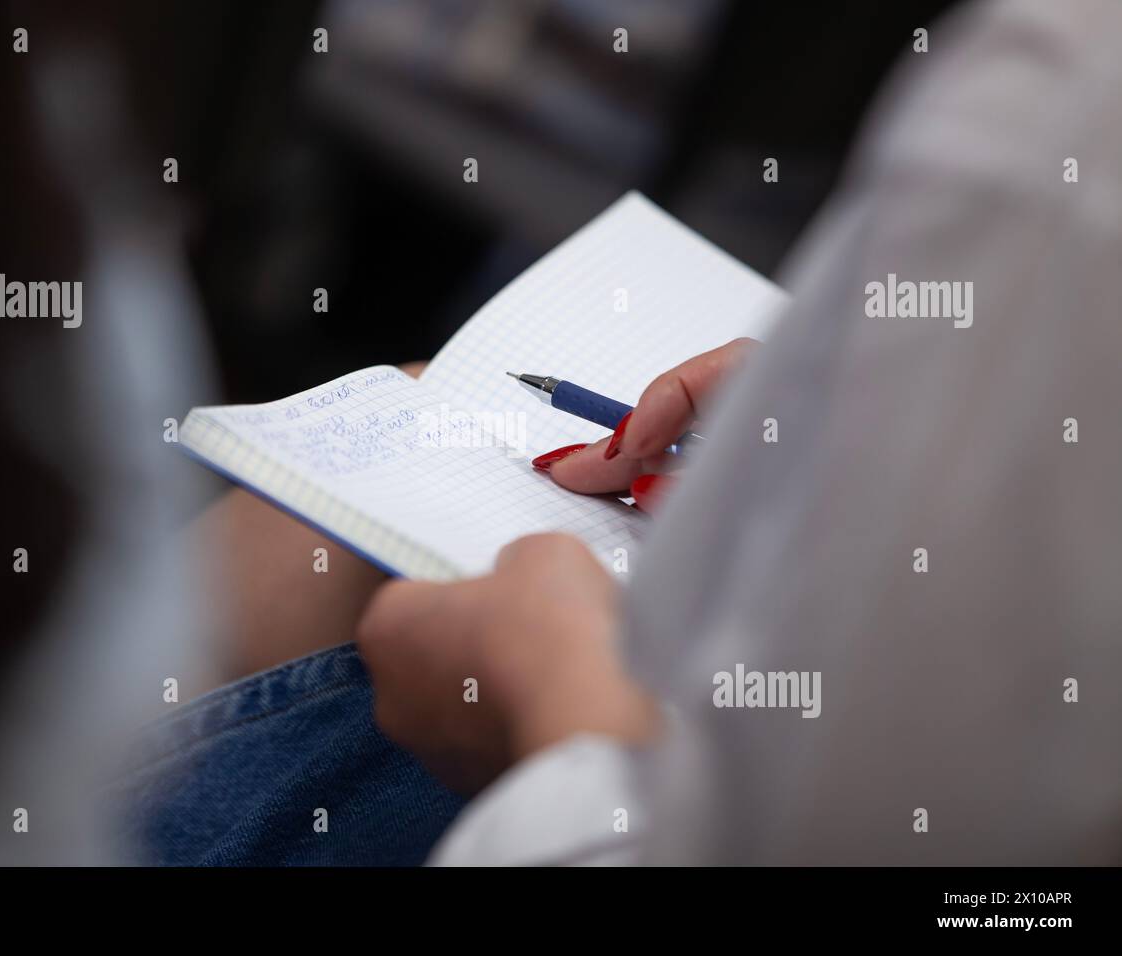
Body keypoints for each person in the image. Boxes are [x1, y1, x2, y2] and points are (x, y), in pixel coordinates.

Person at [119, 0, 1122, 865]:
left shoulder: (1060, 120)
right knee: (418, 409)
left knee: (344, 529)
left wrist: (548, 694)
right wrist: (840, 387)